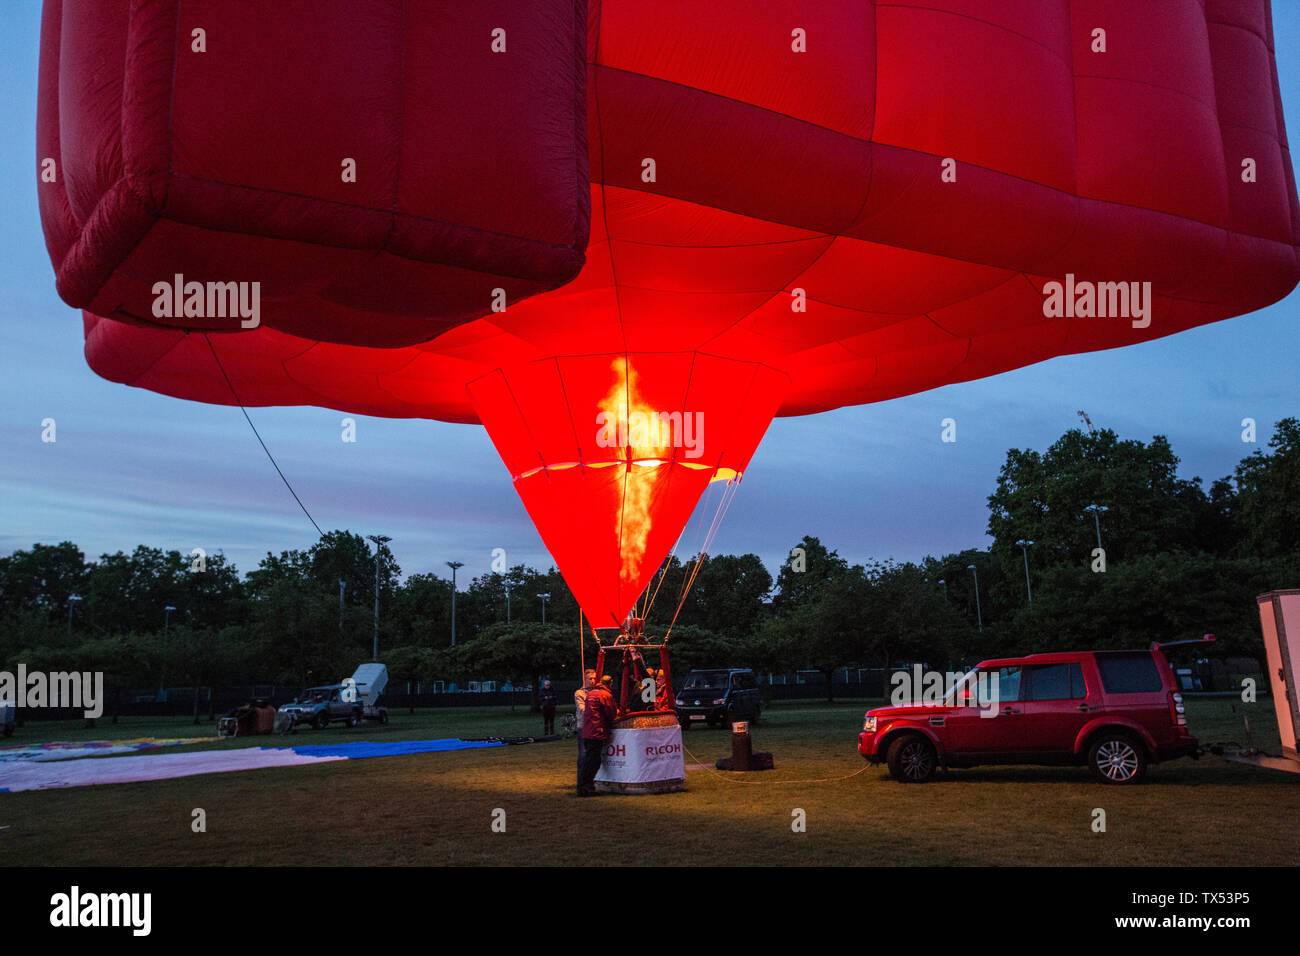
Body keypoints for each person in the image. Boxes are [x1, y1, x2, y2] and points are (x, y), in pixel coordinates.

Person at [578, 675, 617, 797]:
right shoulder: (605, 695)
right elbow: (611, 713)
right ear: (610, 683)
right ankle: (586, 787)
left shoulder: (591, 693)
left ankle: (584, 786)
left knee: (588, 760)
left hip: (588, 730)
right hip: (597, 731)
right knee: (593, 761)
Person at [574, 669, 596, 784]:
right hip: (583, 727)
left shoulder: (597, 691)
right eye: (590, 679)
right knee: (583, 755)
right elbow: (582, 709)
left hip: (594, 727)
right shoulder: (579, 693)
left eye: (594, 678)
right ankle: (581, 781)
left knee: (593, 755)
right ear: (585, 679)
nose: (592, 681)